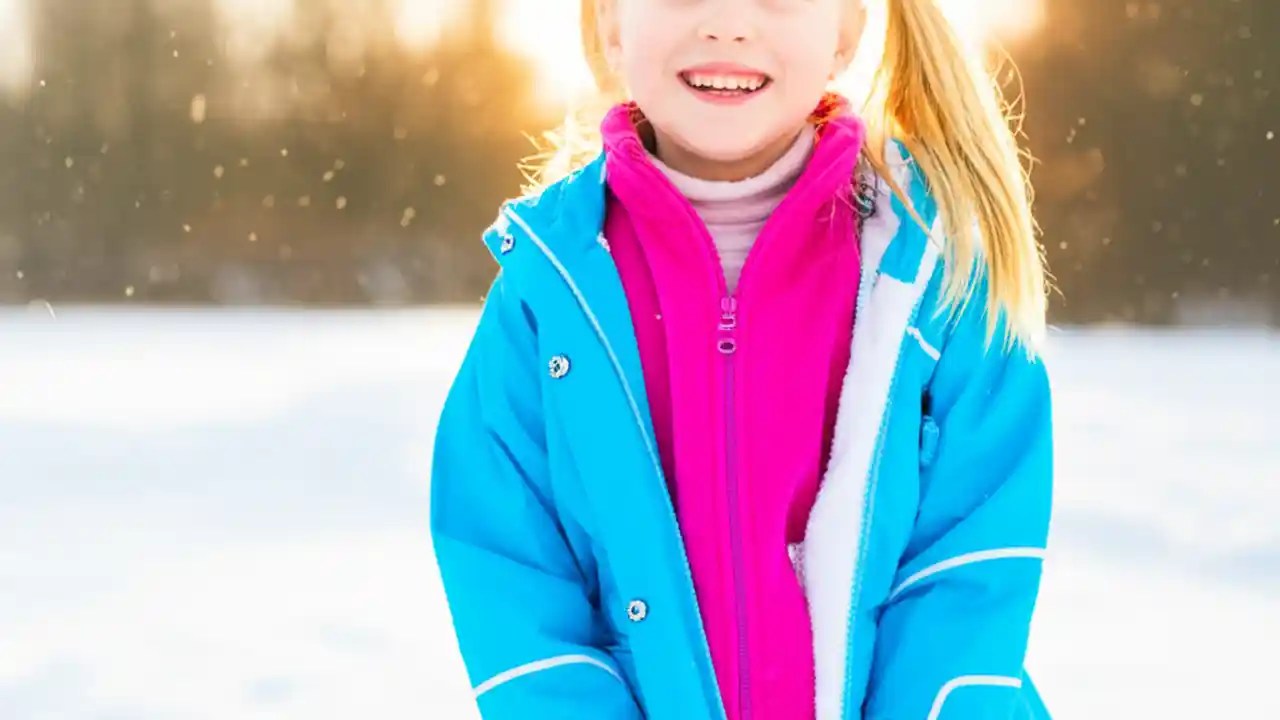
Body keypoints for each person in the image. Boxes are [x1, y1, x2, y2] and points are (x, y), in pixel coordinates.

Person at [430, 0, 1054, 718]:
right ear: (610, 25)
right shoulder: (548, 293)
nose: (727, 22)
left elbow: (967, 581)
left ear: (845, 32)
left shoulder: (935, 274)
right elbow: (512, 581)